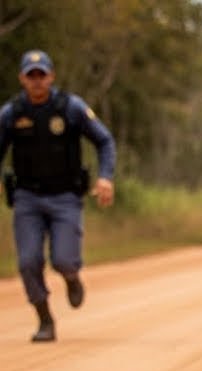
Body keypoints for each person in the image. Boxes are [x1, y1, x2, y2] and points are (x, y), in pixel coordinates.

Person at [0, 49, 115, 342]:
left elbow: (103, 141)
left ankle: (71, 277)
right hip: (27, 197)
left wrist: (105, 177)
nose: (37, 81)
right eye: (31, 75)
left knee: (63, 259)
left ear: (51, 76)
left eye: (41, 75)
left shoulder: (70, 108)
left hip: (65, 197)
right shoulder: (11, 114)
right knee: (28, 262)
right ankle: (44, 318)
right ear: (22, 79)